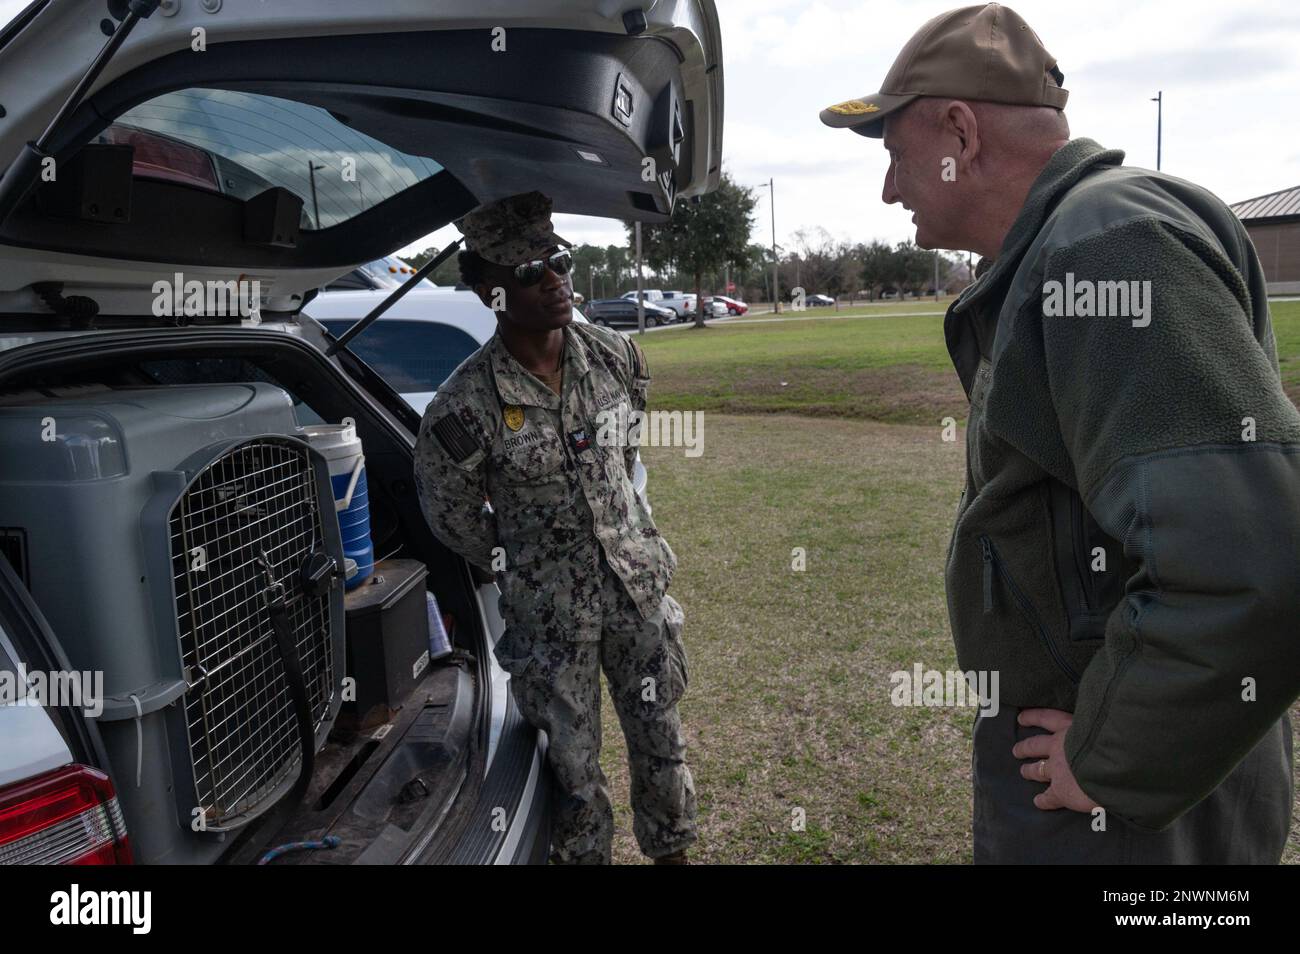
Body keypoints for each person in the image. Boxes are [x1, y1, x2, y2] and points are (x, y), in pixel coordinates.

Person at [821, 3, 1299, 862]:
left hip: (1129, 807)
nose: (890, 188)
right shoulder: (1082, 237)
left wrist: (1112, 762)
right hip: (1144, 773)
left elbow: (1253, 559)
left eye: (895, 156)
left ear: (959, 134)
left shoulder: (1107, 244)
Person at [413, 191, 697, 864]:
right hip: (549, 618)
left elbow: (624, 460)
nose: (553, 280)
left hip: (637, 594)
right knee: (572, 774)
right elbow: (453, 519)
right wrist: (530, 562)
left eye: (559, 260)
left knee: (661, 740)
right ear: (490, 292)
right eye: (527, 272)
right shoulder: (465, 405)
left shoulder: (615, 357)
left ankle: (675, 852)